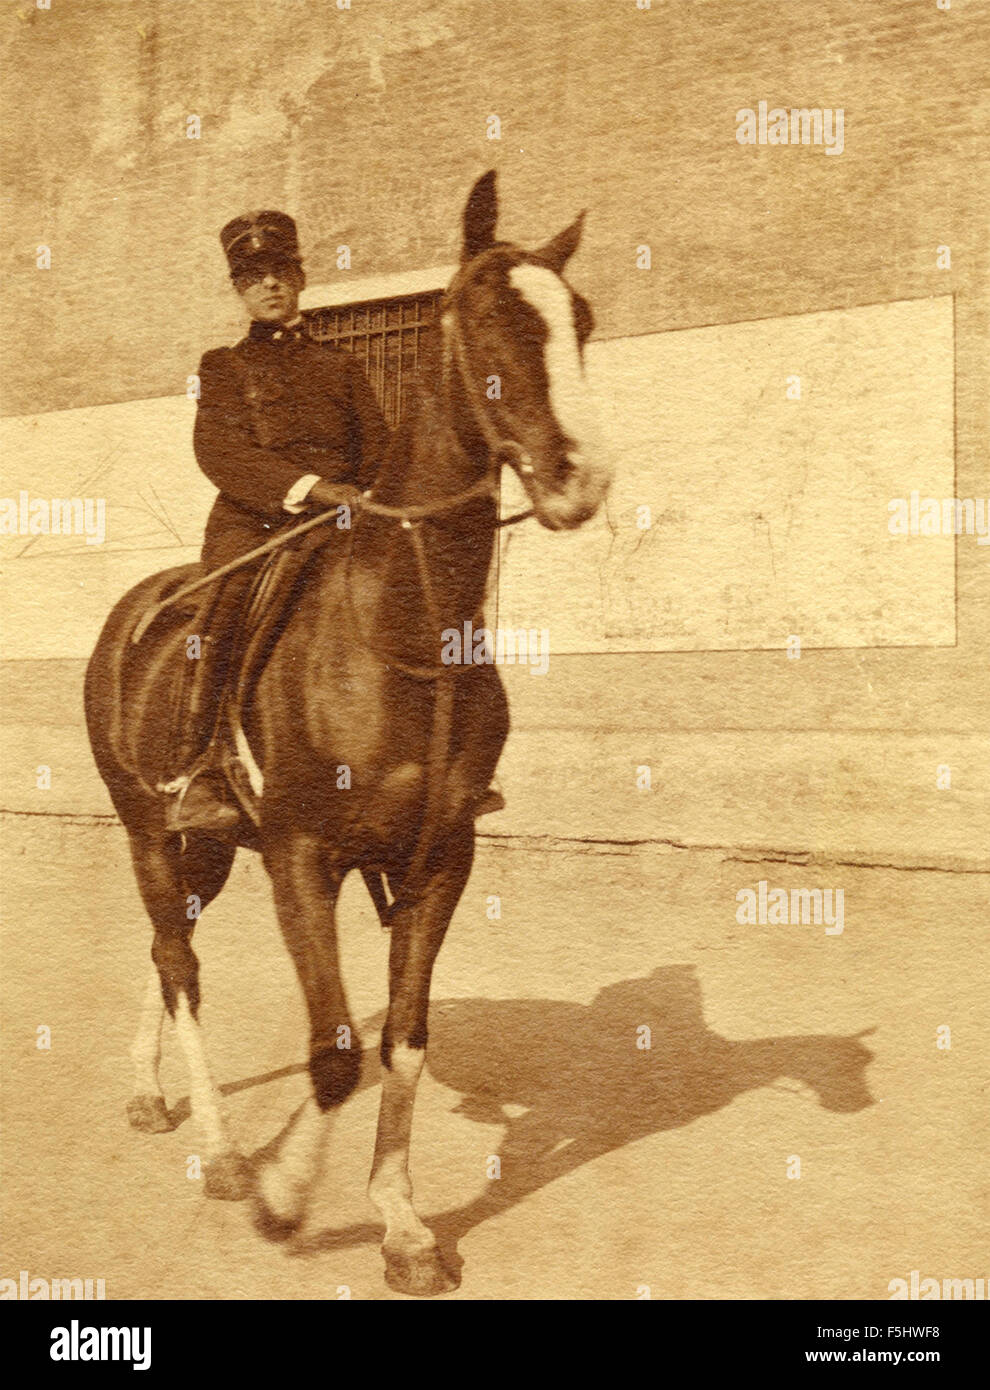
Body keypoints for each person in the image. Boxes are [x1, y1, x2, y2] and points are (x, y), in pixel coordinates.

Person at [161, 210, 391, 831]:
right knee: (228, 600)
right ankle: (200, 765)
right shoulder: (223, 366)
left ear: (300, 279)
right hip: (255, 520)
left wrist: (371, 494)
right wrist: (311, 488)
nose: (268, 285)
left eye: (280, 273)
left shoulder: (340, 366)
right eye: (253, 277)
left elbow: (376, 449)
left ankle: (448, 752)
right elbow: (220, 452)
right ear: (240, 290)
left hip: (343, 519)